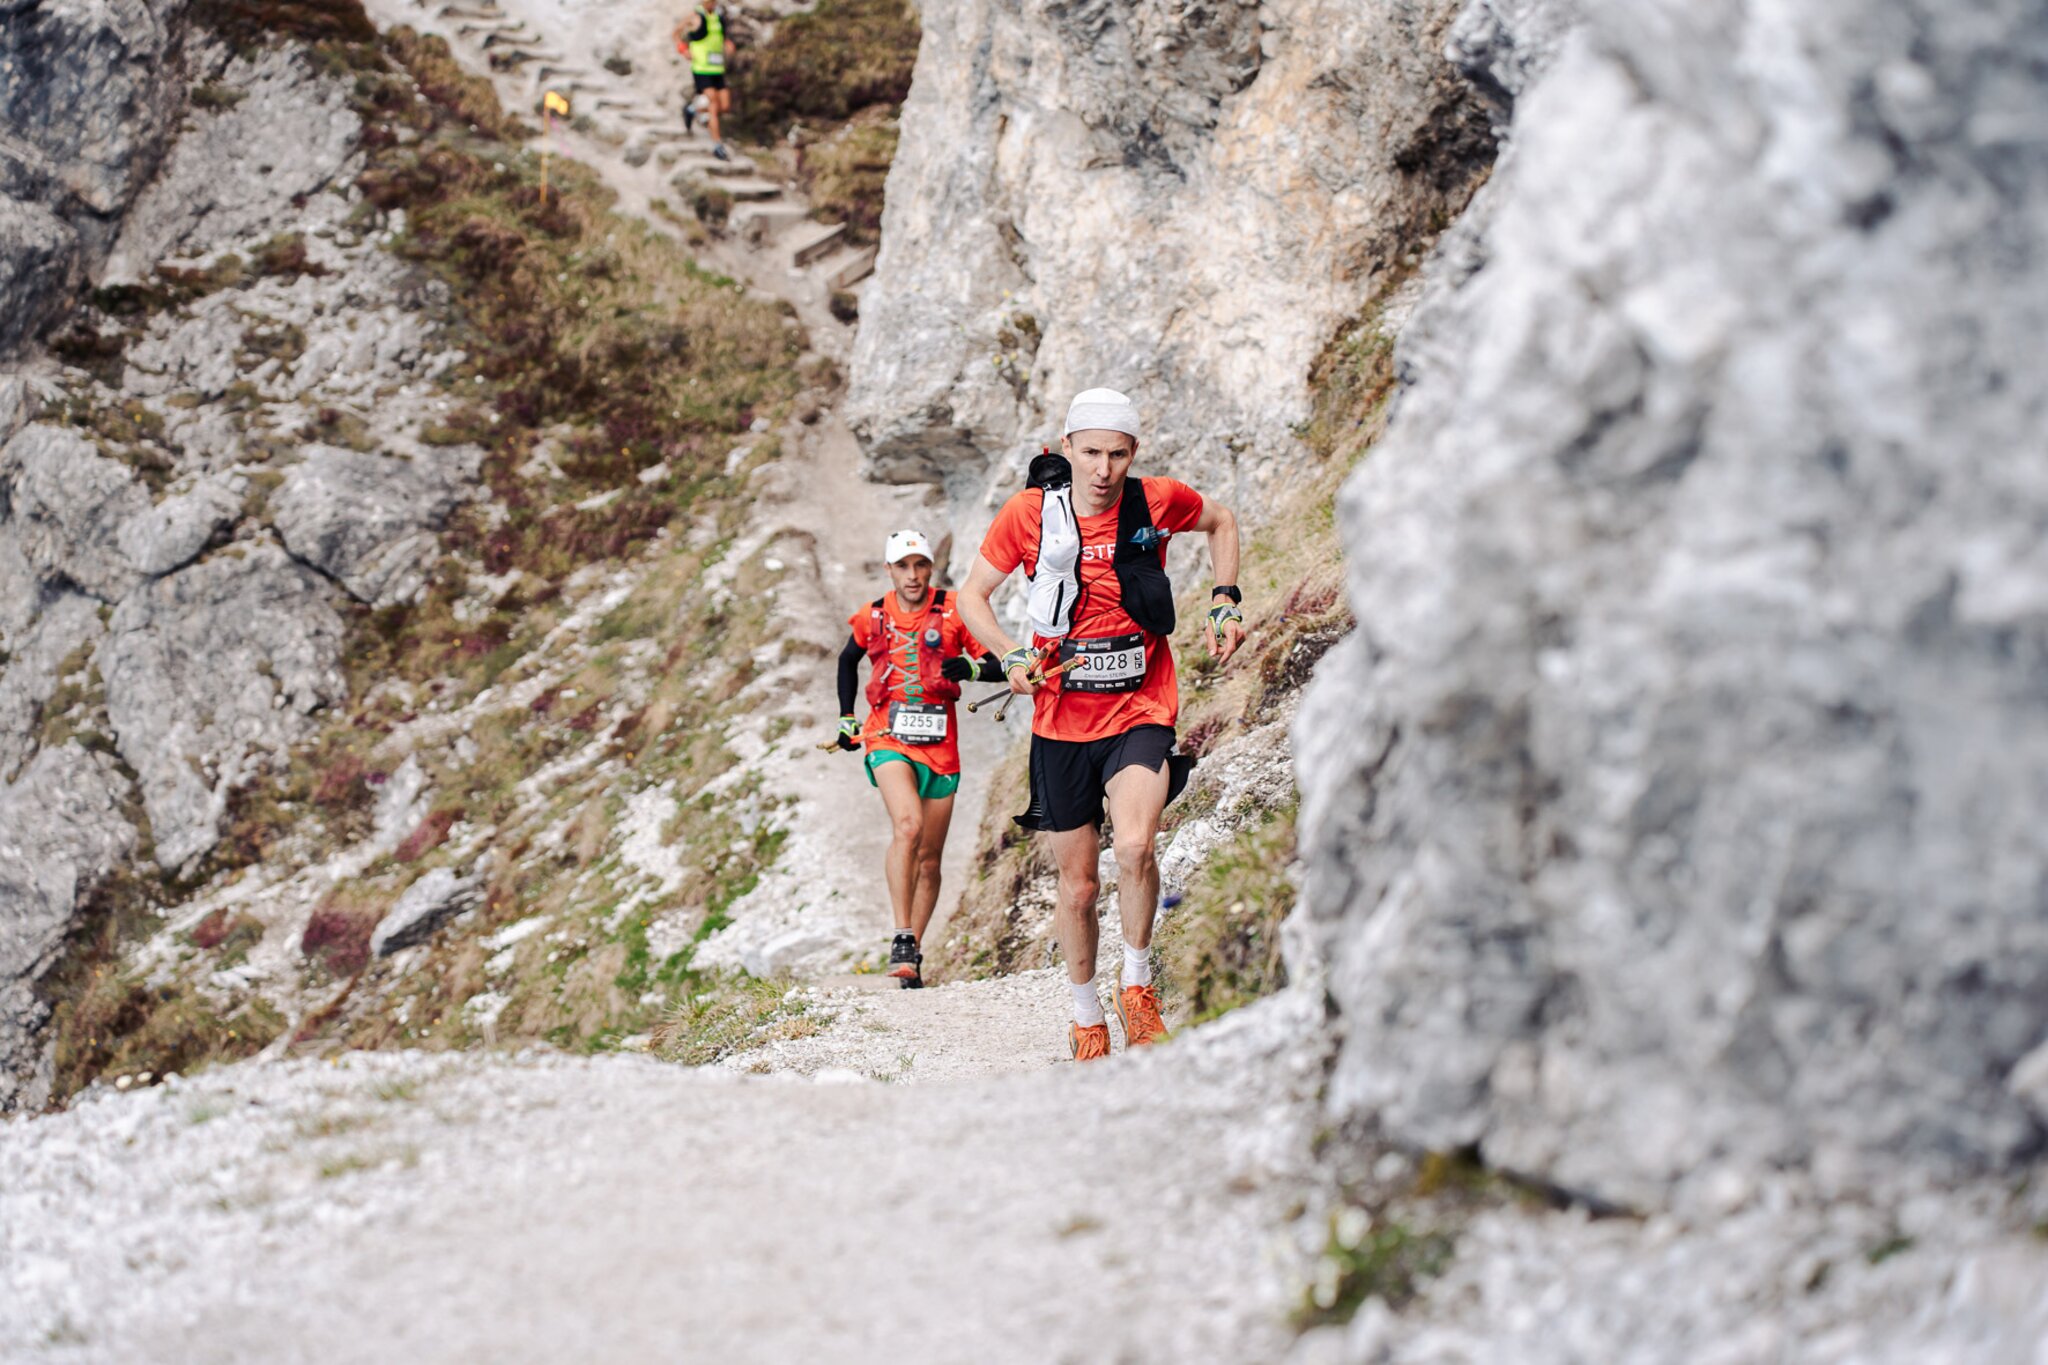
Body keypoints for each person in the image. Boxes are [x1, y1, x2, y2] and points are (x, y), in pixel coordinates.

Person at [958, 389, 1245, 1061]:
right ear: (1066, 450)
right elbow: (971, 596)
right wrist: (1011, 653)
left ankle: (1137, 986)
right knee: (1080, 884)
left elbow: (1223, 521)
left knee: (1139, 845)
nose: (1103, 468)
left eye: (1118, 453)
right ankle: (1085, 1012)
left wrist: (1225, 600)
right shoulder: (1028, 514)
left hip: (1142, 705)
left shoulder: (1157, 501)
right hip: (1062, 722)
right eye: (1090, 452)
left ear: (1133, 454)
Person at [836, 530, 1003, 988]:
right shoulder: (873, 615)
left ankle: (913, 956)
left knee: (930, 859)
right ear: (889, 570)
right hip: (887, 735)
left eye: (920, 565)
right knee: (907, 825)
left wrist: (970, 668)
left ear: (931, 567)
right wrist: (847, 718)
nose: (913, 575)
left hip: (940, 743)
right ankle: (901, 935)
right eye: (903, 566)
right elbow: (847, 660)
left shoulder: (953, 610)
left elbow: (996, 661)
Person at [673, 0, 736, 159]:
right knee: (713, 104)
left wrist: (727, 44)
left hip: (717, 69)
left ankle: (691, 110)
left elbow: (719, 37)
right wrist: (683, 50)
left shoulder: (718, 16)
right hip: (701, 68)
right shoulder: (695, 16)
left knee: (725, 106)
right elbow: (676, 33)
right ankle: (717, 145)